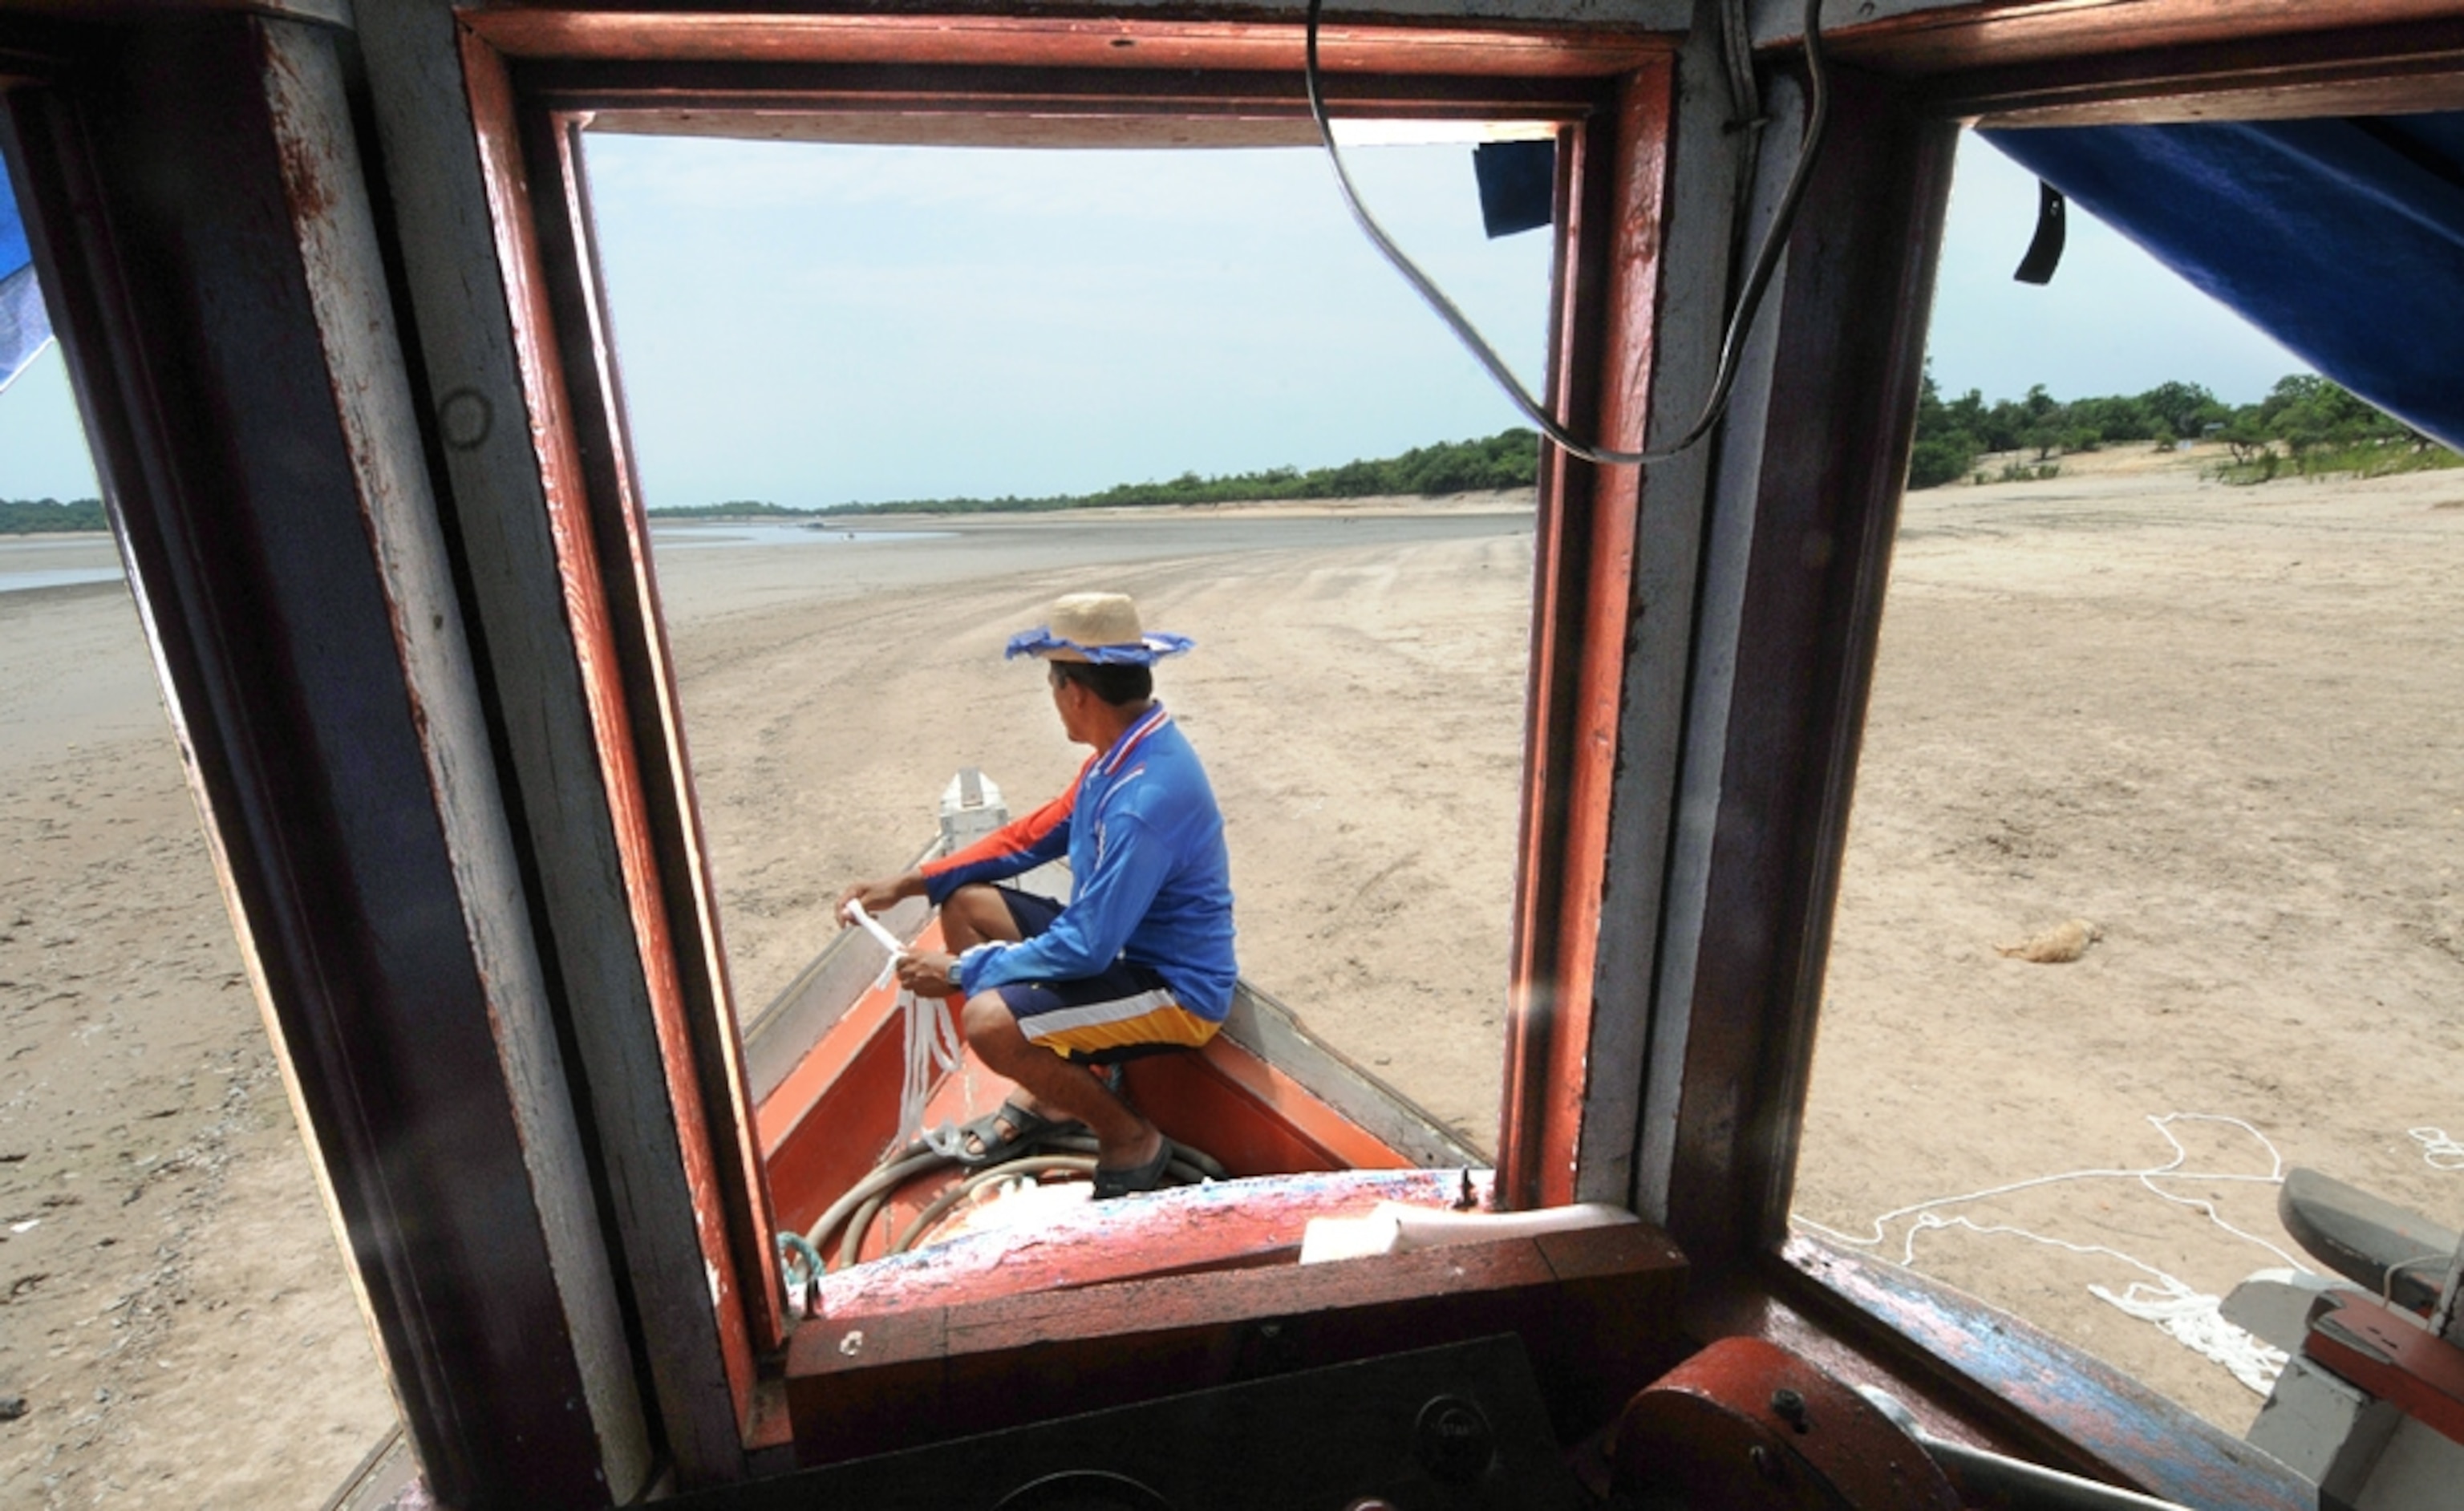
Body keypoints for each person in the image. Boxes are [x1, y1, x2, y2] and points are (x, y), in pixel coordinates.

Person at [836, 591, 1236, 1198]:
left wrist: (960, 970)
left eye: (1053, 687)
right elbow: (1029, 838)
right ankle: (1054, 1095)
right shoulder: (1118, 755)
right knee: (965, 903)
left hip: (1172, 988)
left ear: (1074, 692)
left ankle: (1130, 1136)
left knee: (989, 1020)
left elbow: (1088, 950)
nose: (1056, 703)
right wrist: (913, 882)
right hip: (1115, 949)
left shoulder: (1144, 799)